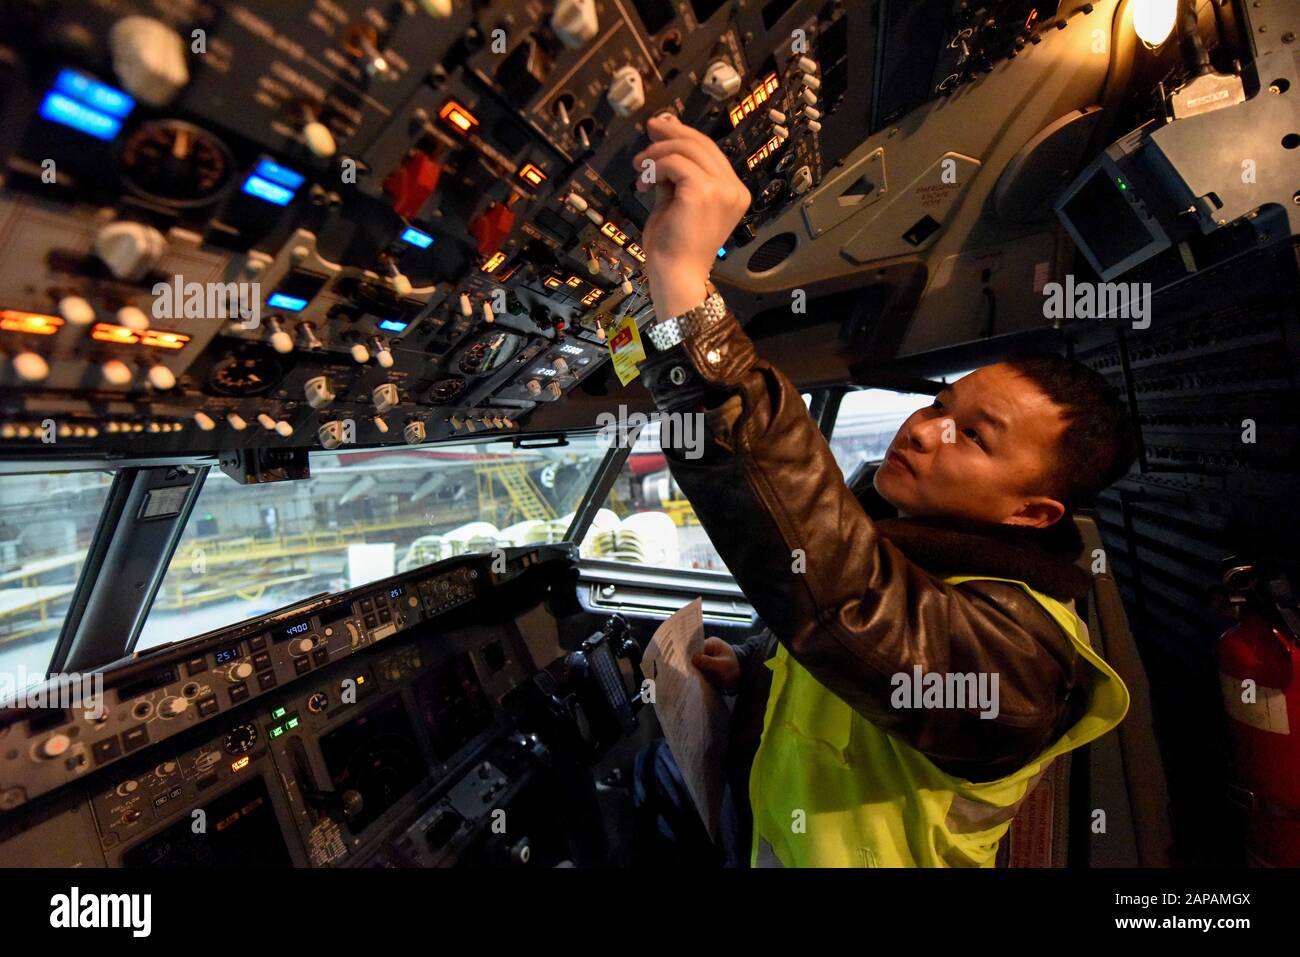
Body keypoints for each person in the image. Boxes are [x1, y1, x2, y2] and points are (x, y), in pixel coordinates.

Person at [627, 113, 1136, 868]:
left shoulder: (1027, 666)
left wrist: (683, 292)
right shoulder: (923, 563)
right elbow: (855, 656)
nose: (925, 430)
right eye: (939, 405)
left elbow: (851, 606)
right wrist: (754, 677)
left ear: (1031, 513)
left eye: (976, 434)